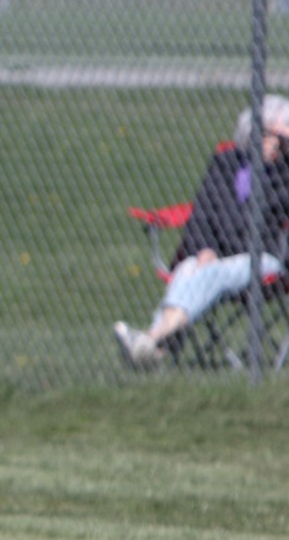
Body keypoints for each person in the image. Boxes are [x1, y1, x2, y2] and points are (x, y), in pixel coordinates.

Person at [114, 94, 289, 368]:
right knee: (187, 268)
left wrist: (273, 166)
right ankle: (153, 351)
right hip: (219, 256)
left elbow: (261, 220)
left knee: (212, 273)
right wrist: (205, 249)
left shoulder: (284, 175)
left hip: (266, 259)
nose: (276, 144)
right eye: (271, 136)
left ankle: (150, 339)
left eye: (282, 140)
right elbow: (202, 214)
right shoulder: (226, 163)